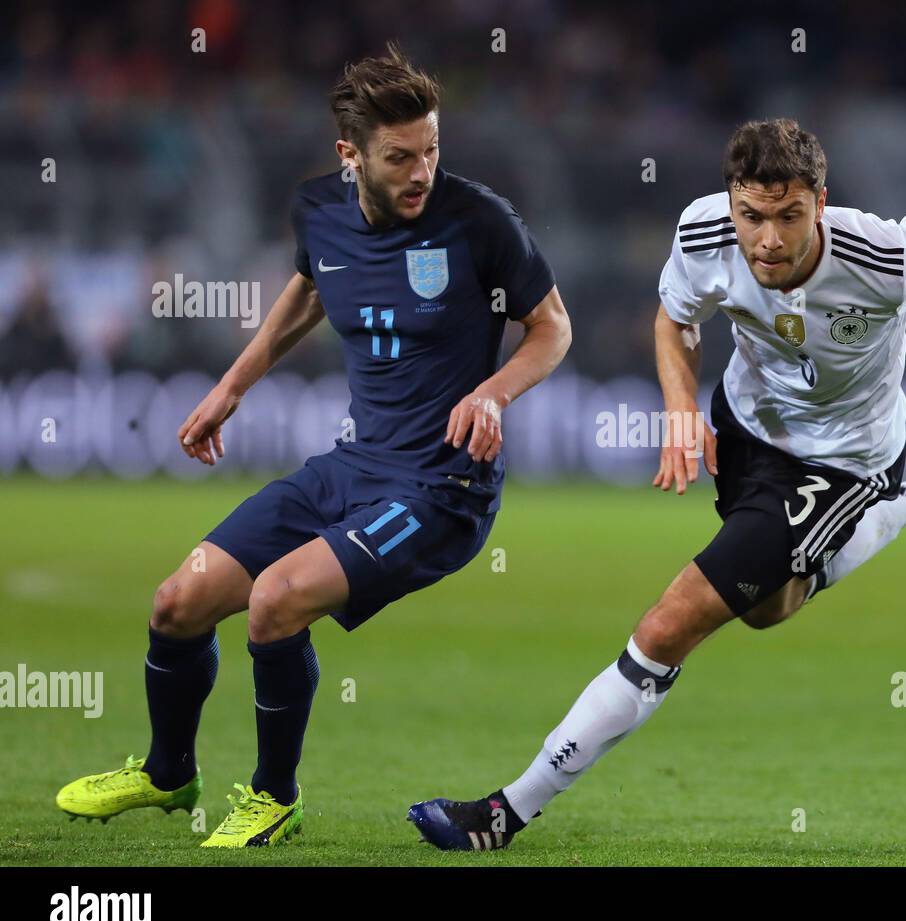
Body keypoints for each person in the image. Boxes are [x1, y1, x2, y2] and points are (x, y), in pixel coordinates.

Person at [409, 118, 906, 851]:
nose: (770, 240)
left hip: (841, 461)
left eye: (790, 216)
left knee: (669, 625)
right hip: (745, 429)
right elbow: (674, 322)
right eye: (753, 216)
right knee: (765, 609)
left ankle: (503, 813)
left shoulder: (885, 257)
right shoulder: (703, 233)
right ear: (731, 203)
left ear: (822, 200)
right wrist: (683, 413)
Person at [55, 43, 572, 847]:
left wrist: (491, 391)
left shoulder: (480, 222)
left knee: (275, 601)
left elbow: (553, 328)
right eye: (400, 157)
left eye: (432, 149)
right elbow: (309, 290)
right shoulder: (319, 213)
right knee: (178, 602)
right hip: (354, 465)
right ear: (350, 156)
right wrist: (232, 387)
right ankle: (166, 773)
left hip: (440, 487)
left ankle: (275, 795)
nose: (421, 172)